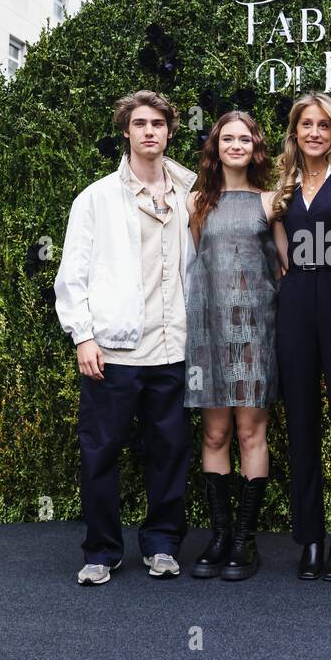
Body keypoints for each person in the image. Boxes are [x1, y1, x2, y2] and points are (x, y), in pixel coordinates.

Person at [55, 90, 197, 585]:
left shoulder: (191, 192)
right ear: (127, 131)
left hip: (174, 346)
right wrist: (83, 336)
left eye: (158, 123)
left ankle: (161, 545)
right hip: (113, 349)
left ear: (169, 131)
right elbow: (71, 273)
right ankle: (101, 551)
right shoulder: (95, 198)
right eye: (140, 123)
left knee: (170, 451)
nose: (150, 131)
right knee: (100, 452)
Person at [271, 92, 331, 581]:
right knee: (302, 421)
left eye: (323, 126)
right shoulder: (283, 182)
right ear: (296, 131)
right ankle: (309, 538)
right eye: (306, 124)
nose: (314, 132)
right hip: (295, 302)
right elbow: (276, 238)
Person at [185, 109, 286, 581]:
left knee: (250, 434)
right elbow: (194, 268)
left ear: (255, 147)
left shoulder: (271, 202)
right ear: (215, 146)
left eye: (245, 138)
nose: (236, 145)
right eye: (228, 138)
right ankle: (220, 534)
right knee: (214, 435)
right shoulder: (197, 203)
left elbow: (284, 269)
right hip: (208, 332)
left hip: (256, 334)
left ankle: (246, 540)